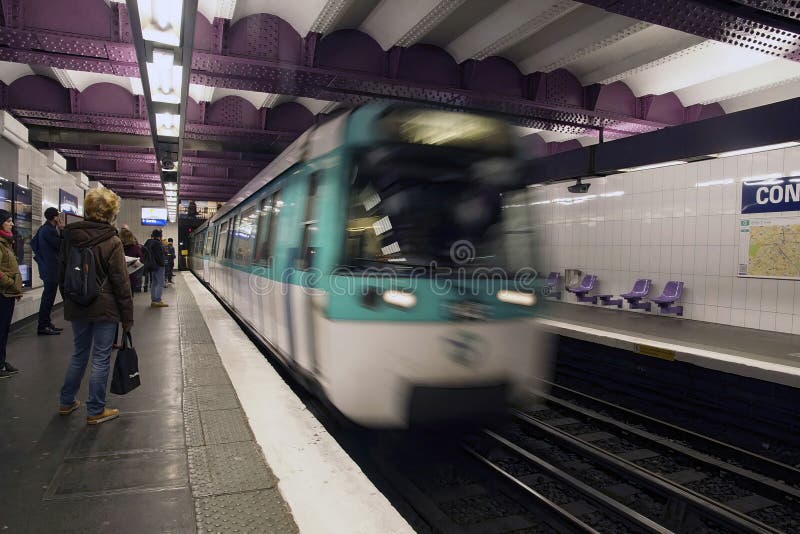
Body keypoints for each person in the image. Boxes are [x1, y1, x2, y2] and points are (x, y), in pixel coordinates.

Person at [58, 188, 133, 424]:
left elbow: (62, 274)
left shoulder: (69, 237)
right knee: (101, 358)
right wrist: (127, 317)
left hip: (77, 304)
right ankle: (95, 410)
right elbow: (121, 283)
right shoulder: (112, 240)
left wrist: (72, 299)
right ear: (111, 213)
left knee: (79, 353)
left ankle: (66, 401)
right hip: (105, 307)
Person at [32, 207, 63, 335]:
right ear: (55, 217)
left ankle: (46, 323)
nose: (60, 218)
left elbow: (34, 243)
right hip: (50, 269)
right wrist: (62, 230)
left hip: (47, 267)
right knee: (48, 298)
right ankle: (43, 326)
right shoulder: (49, 230)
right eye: (59, 215)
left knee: (48, 297)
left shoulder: (44, 229)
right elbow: (61, 245)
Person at [0, 210, 23, 379]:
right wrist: (10, 283)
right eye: (8, 221)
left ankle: (1, 361)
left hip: (7, 293)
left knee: (4, 329)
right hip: (2, 293)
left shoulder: (6, 242)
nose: (12, 224)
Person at [143, 229, 167, 307]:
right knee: (160, 283)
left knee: (154, 283)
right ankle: (158, 300)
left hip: (152, 266)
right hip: (159, 266)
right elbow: (159, 256)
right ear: (159, 236)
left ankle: (153, 300)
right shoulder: (157, 244)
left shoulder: (149, 243)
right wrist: (162, 263)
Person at [119, 228, 143, 292]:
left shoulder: (117, 247)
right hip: (131, 274)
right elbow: (141, 259)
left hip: (119, 275)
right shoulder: (135, 247)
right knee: (130, 295)